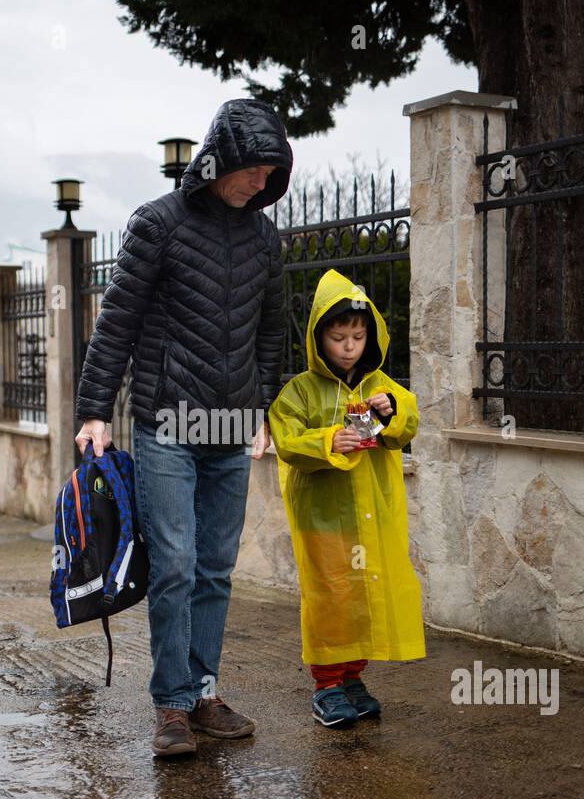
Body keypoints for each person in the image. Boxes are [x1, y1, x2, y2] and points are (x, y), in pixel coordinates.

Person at [73, 99, 293, 758]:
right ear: (221, 160)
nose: (261, 183)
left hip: (230, 426)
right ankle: (171, 705)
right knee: (173, 564)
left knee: (216, 570)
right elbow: (117, 322)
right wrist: (93, 410)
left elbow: (273, 330)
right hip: (167, 422)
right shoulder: (158, 224)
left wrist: (268, 410)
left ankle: (202, 692)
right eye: (254, 169)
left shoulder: (264, 238)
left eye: (271, 173)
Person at [267, 268, 425, 728]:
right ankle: (327, 684)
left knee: (365, 593)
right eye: (338, 337)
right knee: (331, 596)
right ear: (320, 338)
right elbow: (287, 439)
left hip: (373, 514)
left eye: (358, 335)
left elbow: (407, 424)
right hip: (323, 518)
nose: (350, 346)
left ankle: (354, 677)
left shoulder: (381, 385)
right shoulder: (300, 390)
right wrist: (328, 440)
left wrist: (391, 412)